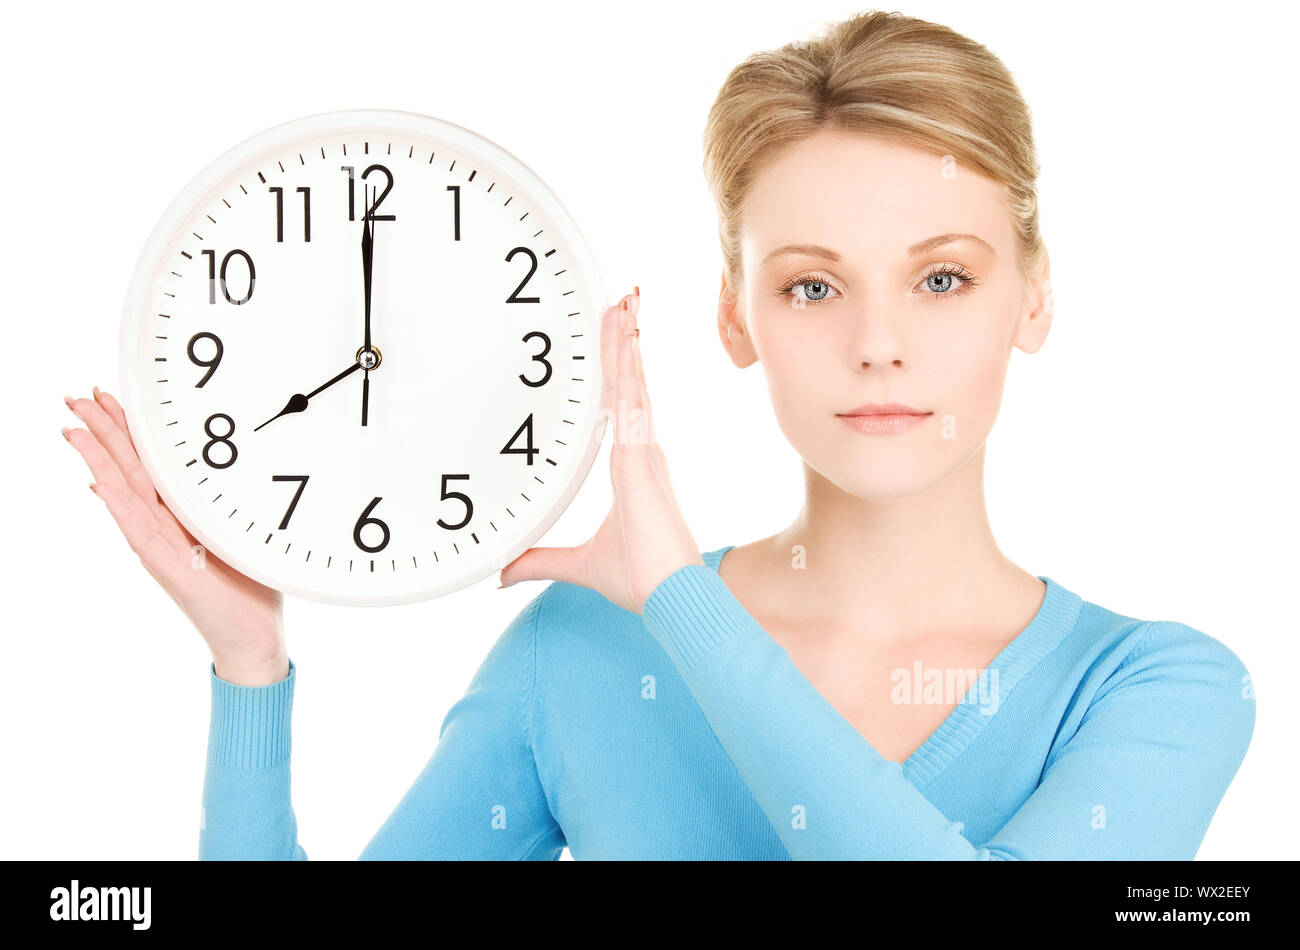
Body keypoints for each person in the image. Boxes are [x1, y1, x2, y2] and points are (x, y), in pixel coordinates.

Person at [63, 9, 1254, 860]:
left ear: (1034, 296)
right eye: (811, 286)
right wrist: (248, 670)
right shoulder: (575, 650)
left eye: (941, 278)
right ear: (734, 318)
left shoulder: (1159, 689)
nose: (879, 343)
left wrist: (686, 601)